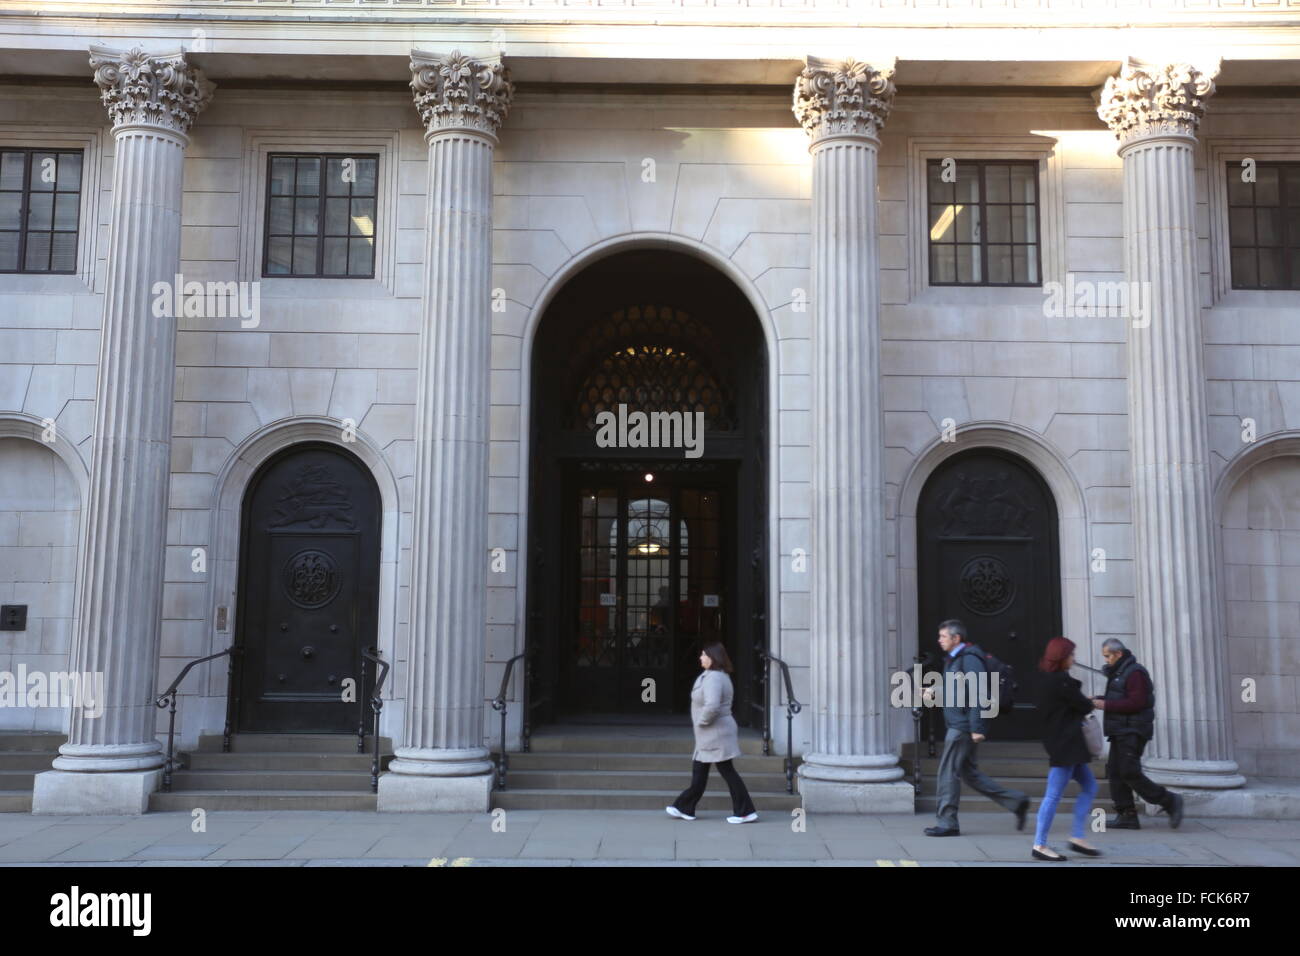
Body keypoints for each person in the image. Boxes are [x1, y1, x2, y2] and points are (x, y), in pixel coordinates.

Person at [924, 619, 1030, 836]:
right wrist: (934, 691)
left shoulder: (970, 658)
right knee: (970, 774)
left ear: (956, 638)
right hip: (960, 724)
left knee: (947, 772)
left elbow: (978, 693)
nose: (939, 640)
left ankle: (947, 822)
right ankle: (1017, 801)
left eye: (943, 636)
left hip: (962, 726)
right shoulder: (954, 659)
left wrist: (977, 727)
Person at [1092, 638, 1184, 830]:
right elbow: (1121, 697)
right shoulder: (1120, 672)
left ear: (1118, 654)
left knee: (1128, 771)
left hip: (1132, 730)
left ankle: (1169, 801)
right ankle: (1127, 815)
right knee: (1116, 772)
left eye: (1108, 656)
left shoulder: (1135, 673)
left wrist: (1106, 704)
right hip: (1121, 730)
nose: (1106, 660)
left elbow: (1137, 703)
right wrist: (1098, 699)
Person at [665, 642, 757, 824]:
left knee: (725, 771)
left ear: (712, 658)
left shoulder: (714, 678)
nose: (700, 658)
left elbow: (712, 705)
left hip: (715, 733)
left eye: (703, 655)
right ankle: (685, 807)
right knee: (701, 771)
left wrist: (702, 722)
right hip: (711, 734)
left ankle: (745, 811)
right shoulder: (715, 676)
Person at [1031, 636, 1101, 860]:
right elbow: (1081, 704)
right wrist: (1089, 701)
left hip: (1065, 743)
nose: (1074, 658)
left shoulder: (1047, 680)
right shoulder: (1062, 682)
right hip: (1066, 745)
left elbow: (1068, 704)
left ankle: (1077, 836)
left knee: (1090, 785)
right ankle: (1040, 844)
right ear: (1062, 657)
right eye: (1071, 654)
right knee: (1053, 795)